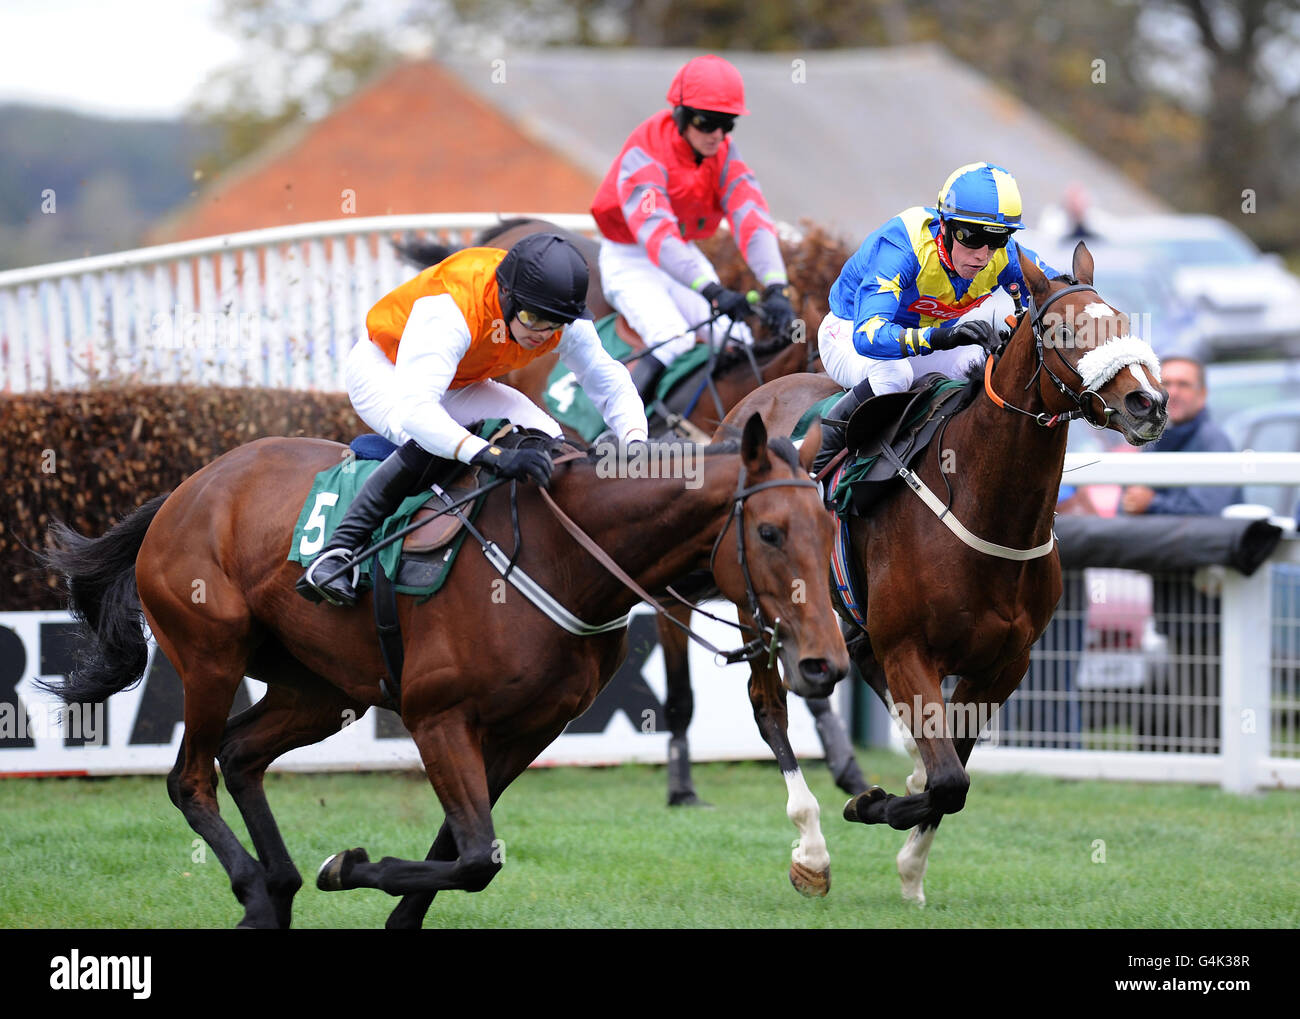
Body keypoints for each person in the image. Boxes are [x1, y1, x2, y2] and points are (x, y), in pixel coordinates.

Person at [297, 233, 649, 607]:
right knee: (434, 444)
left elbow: (609, 382)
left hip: (459, 379)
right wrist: (490, 454)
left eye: (555, 324)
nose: (541, 334)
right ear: (507, 297)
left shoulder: (560, 319)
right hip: (386, 369)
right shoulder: (452, 310)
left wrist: (634, 441)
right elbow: (418, 412)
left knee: (547, 438)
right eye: (532, 319)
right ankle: (337, 551)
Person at [812, 162, 1061, 475]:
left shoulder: (1003, 255)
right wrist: (940, 338)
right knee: (895, 376)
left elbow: (1061, 291)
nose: (983, 255)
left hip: (920, 345)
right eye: (971, 237)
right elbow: (869, 337)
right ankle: (811, 463)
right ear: (945, 225)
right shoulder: (903, 246)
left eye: (998, 239)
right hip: (849, 334)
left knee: (979, 365)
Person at [590, 54, 797, 402]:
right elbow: (657, 234)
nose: (717, 135)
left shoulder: (724, 153)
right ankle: (616, 435)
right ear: (681, 115)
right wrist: (713, 291)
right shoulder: (645, 151)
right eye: (707, 122)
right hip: (630, 256)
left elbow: (752, 217)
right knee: (672, 339)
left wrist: (777, 286)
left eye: (727, 123)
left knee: (738, 340)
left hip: (679, 254)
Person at [1120, 355, 1243, 516]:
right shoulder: (1149, 440)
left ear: (1203, 395)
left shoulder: (1213, 442)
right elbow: (1125, 506)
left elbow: (1210, 512)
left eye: (1183, 385)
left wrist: (1151, 503)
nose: (1173, 393)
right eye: (1165, 384)